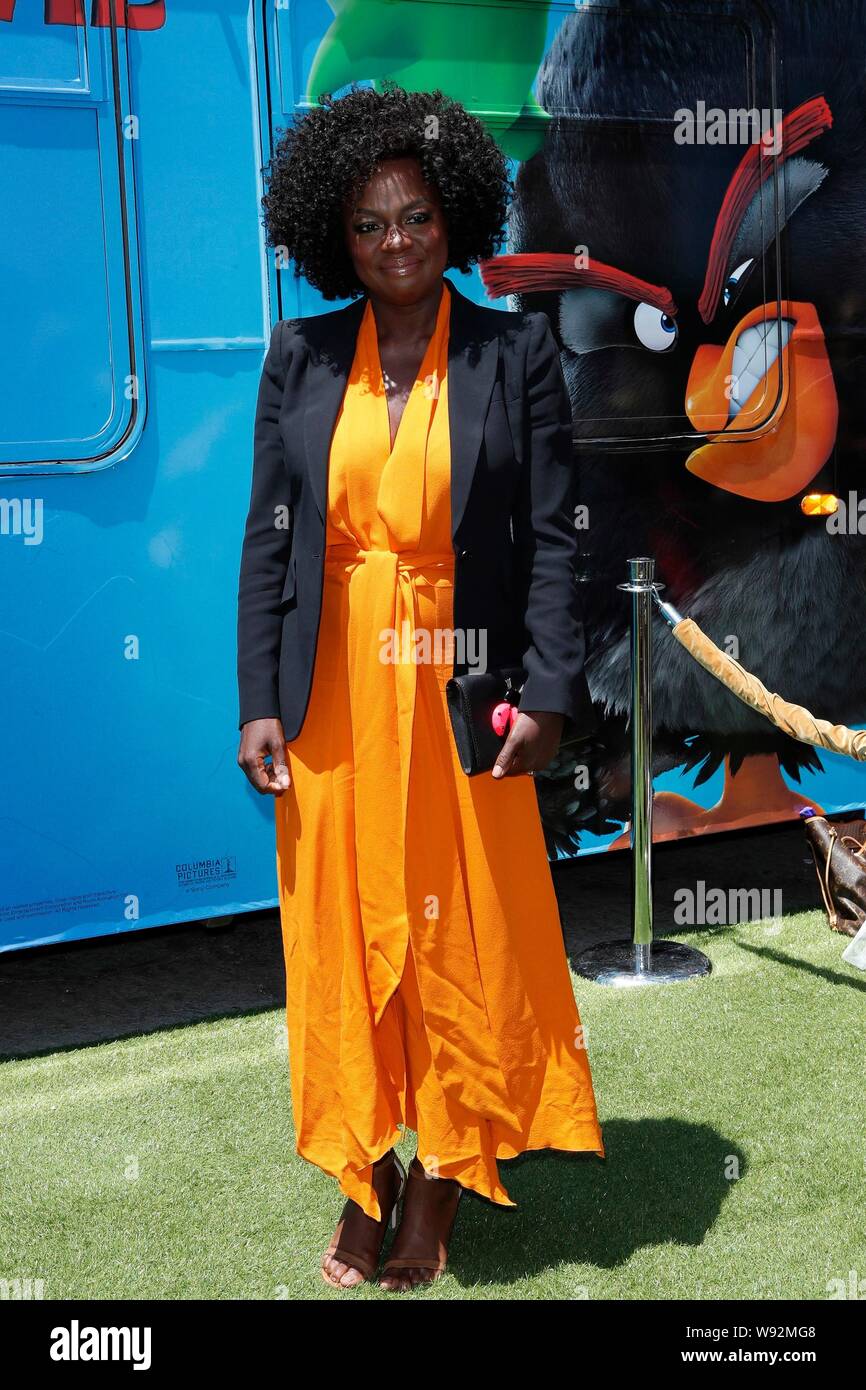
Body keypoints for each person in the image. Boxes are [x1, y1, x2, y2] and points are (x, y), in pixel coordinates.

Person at [236, 83, 604, 1293]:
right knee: (341, 935)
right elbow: (267, 541)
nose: (394, 242)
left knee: (465, 933)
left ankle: (441, 1170)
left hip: (462, 690)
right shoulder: (296, 359)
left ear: (450, 217)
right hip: (333, 689)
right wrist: (257, 700)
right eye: (366, 224)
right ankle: (363, 1169)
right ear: (328, 240)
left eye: (412, 217)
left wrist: (548, 693)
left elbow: (554, 541)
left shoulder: (515, 352)